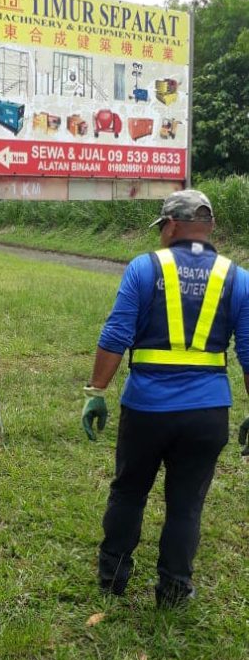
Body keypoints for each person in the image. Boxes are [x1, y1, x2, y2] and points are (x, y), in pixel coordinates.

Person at [82, 189, 249, 606]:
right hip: (207, 413)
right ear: (209, 228)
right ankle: (174, 589)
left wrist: (96, 392)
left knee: (129, 491)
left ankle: (112, 578)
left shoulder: (144, 268)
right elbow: (247, 350)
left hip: (147, 409)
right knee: (186, 504)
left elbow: (115, 334)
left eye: (162, 228)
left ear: (172, 225)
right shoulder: (238, 277)